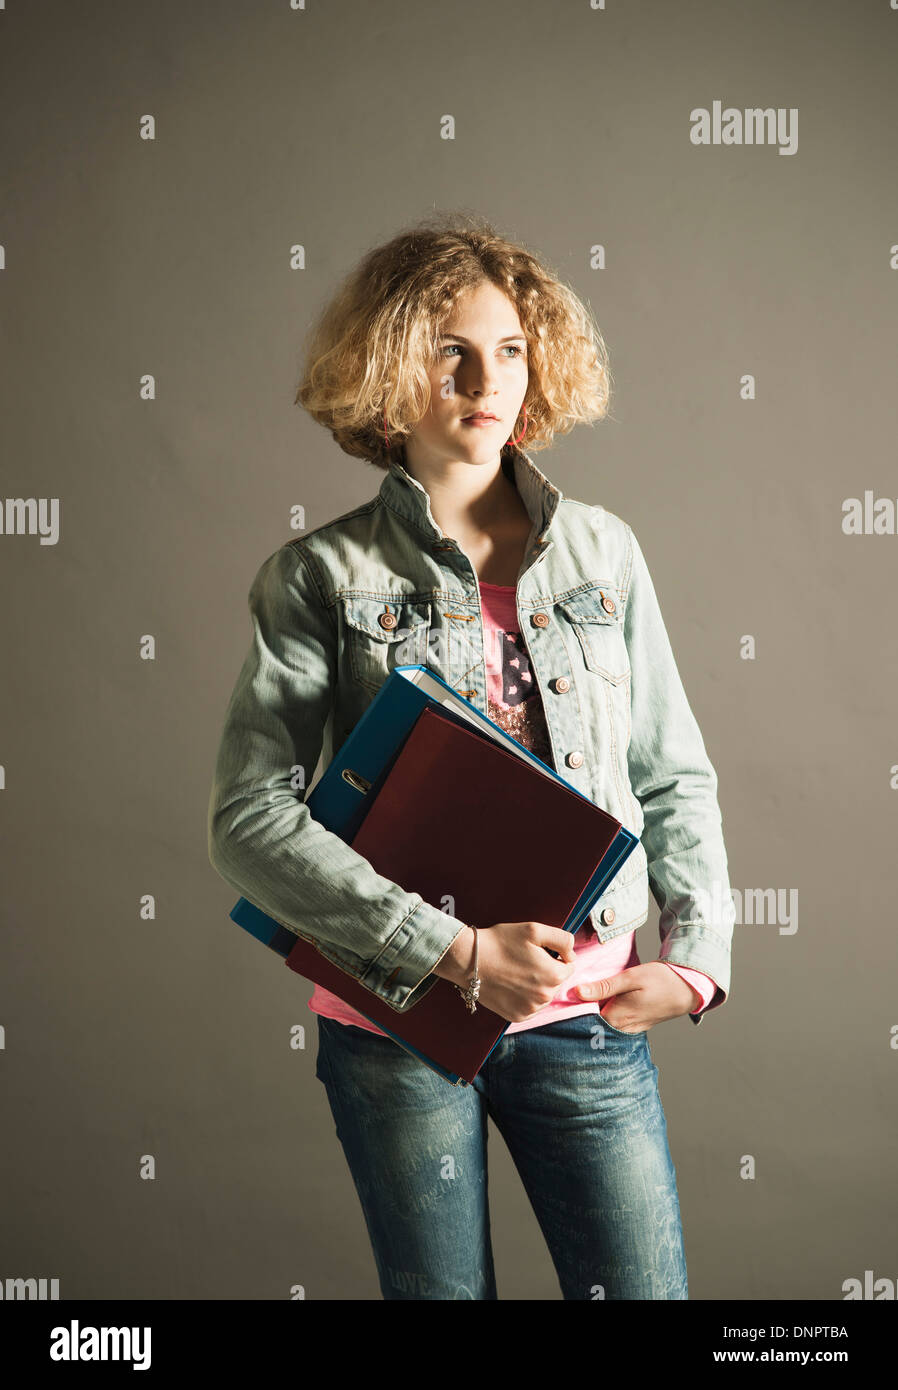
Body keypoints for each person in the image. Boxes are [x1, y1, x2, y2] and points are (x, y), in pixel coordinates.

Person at [207, 214, 736, 1300]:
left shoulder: (603, 550)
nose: (482, 378)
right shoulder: (315, 575)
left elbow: (673, 769)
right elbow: (248, 820)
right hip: (394, 1026)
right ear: (386, 369)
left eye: (507, 348)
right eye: (448, 349)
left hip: (581, 1016)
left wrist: (696, 957)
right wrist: (453, 952)